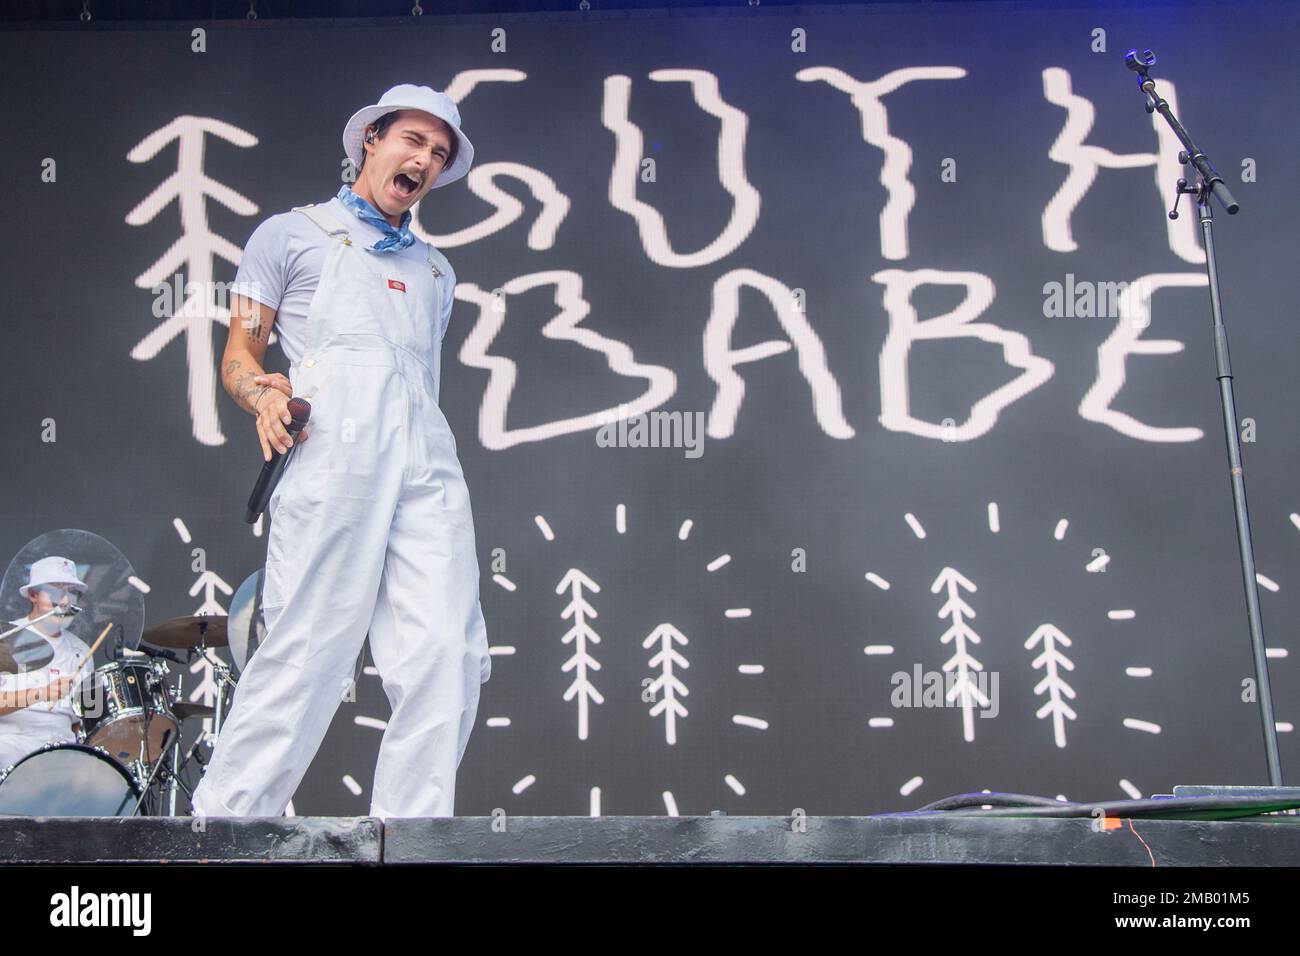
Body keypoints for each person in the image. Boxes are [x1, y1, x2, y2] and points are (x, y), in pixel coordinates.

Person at [190, 85, 491, 819]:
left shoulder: (438, 272)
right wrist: (263, 395)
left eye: (440, 154)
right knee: (306, 649)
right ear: (371, 140)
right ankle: (223, 830)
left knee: (447, 654)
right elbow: (240, 352)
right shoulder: (290, 235)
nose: (424, 160)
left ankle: (412, 838)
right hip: (335, 454)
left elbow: (415, 376)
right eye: (413, 142)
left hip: (425, 461)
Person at [0, 556, 92, 771]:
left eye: (72, 593)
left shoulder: (83, 650)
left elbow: (80, 722)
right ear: (33, 594)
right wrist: (41, 693)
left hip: (63, 755)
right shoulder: (6, 637)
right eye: (56, 592)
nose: (65, 601)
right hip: (10, 748)